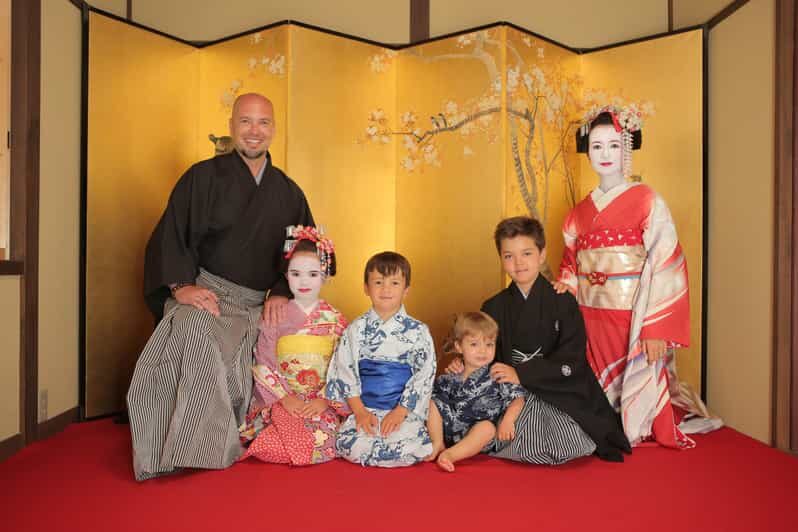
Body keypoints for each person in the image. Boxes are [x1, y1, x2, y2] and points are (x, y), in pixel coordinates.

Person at [127, 93, 313, 481]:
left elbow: (304, 249)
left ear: (274, 129)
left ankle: (205, 444)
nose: (254, 131)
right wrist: (181, 286)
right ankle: (171, 448)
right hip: (205, 290)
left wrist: (280, 289)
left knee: (239, 348)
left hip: (252, 304)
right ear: (232, 126)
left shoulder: (288, 192)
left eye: (263, 122)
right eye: (245, 121)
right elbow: (171, 235)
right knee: (191, 329)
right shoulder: (202, 177)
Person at [554, 105, 720, 449]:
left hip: (633, 313)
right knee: (594, 383)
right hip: (590, 315)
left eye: (614, 145)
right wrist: (566, 284)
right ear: (588, 151)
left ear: (627, 149)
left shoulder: (647, 200)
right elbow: (571, 261)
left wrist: (656, 329)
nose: (605, 154)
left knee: (634, 380)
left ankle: (638, 423)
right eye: (597, 146)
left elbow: (666, 262)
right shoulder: (579, 212)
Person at [450, 217, 631, 463]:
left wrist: (523, 374)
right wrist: (465, 364)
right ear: (501, 258)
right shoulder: (493, 306)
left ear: (542, 254)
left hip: (558, 388)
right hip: (512, 393)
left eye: (526, 253)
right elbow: (485, 355)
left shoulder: (562, 300)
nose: (518, 263)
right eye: (508, 256)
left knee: (567, 439)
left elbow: (572, 358)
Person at [239, 226, 348, 465]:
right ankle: (283, 440)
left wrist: (322, 400)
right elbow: (263, 362)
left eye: (313, 274)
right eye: (296, 273)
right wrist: (285, 398)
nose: (304, 281)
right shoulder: (276, 315)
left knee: (328, 435)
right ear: (286, 276)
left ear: (325, 275)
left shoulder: (335, 319)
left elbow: (342, 367)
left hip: (320, 401)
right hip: (283, 399)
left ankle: (294, 444)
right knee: (272, 432)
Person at [325, 252, 436, 467]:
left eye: (394, 283)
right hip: (366, 408)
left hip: (400, 410)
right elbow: (344, 371)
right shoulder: (355, 329)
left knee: (408, 442)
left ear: (406, 290)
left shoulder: (418, 331)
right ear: (366, 287)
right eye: (378, 282)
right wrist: (360, 412)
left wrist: (400, 412)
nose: (386, 289)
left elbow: (424, 375)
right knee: (348, 442)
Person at [426, 312, 527, 472]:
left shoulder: (497, 373)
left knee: (487, 428)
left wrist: (508, 420)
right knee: (432, 402)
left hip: (476, 435)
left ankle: (450, 455)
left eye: (489, 345)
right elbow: (437, 400)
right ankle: (437, 443)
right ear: (459, 347)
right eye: (474, 344)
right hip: (449, 429)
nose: (482, 351)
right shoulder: (452, 374)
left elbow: (518, 398)